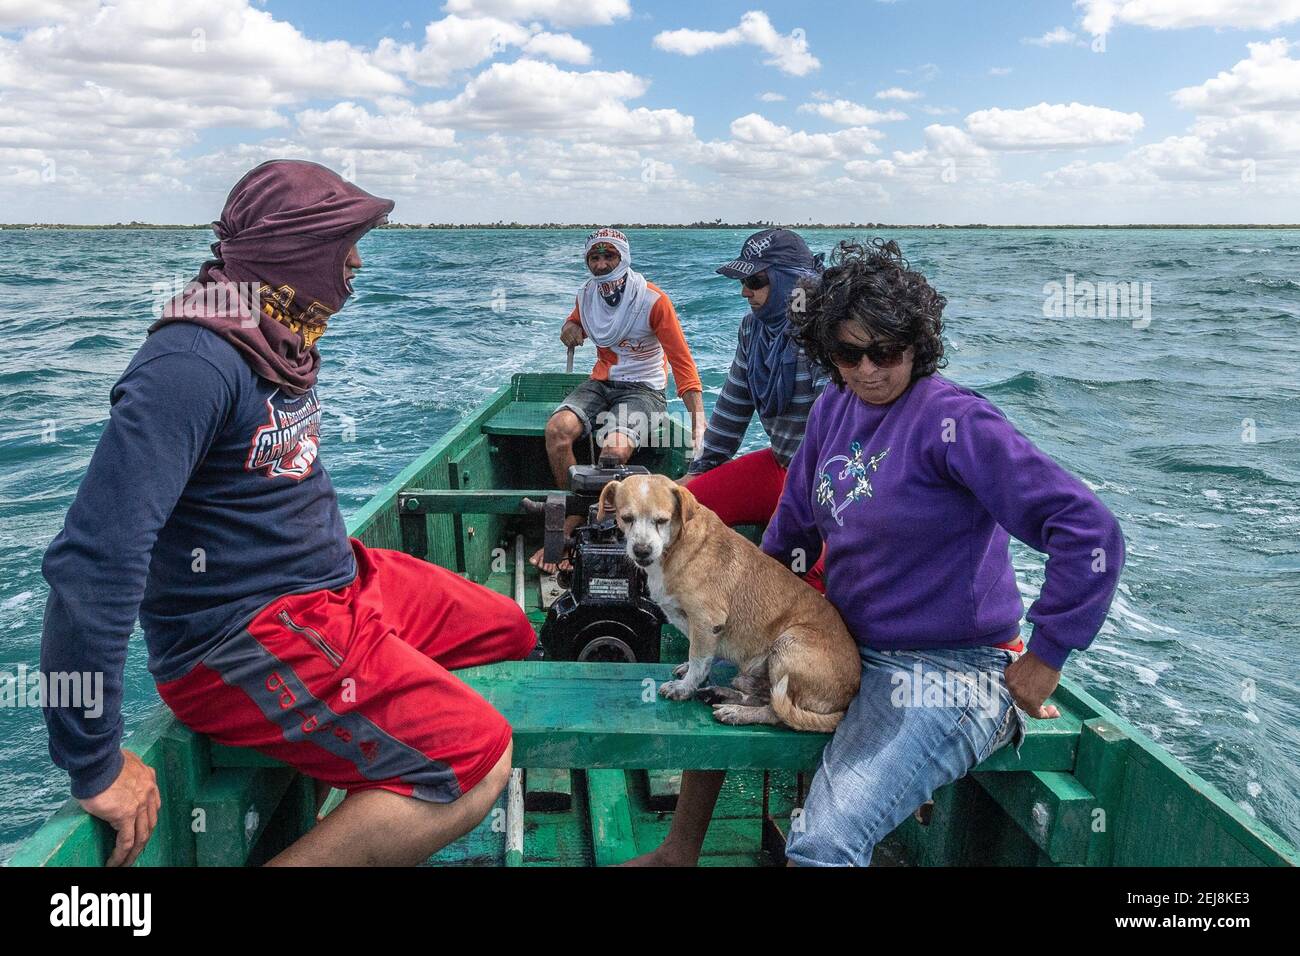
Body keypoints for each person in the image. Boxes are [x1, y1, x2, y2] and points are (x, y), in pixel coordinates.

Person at [39, 160, 536, 867]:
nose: (358, 262)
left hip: (335, 589)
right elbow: (92, 564)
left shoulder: (276, 334)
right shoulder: (190, 366)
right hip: (246, 636)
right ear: (294, 255)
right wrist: (90, 759)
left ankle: (362, 781)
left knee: (509, 629)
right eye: (345, 245)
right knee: (478, 758)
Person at [626, 239, 1125, 866]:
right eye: (848, 352)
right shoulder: (835, 409)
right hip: (842, 641)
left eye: (885, 351)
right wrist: (744, 603)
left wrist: (1048, 654)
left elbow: (1090, 531)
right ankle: (680, 850)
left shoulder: (957, 423)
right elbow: (791, 532)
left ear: (918, 344)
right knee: (715, 682)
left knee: (823, 844)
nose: (867, 369)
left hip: (943, 669)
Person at [532, 228, 705, 571]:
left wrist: (698, 421)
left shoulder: (654, 301)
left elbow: (682, 362)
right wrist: (569, 328)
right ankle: (578, 516)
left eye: (608, 256)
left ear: (623, 258)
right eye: (594, 258)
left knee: (613, 450)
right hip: (602, 382)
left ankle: (609, 525)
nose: (601, 264)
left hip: (644, 388)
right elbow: (574, 323)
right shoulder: (587, 296)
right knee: (557, 430)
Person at [680, 228, 828, 529]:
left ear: (791, 281)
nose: (745, 292)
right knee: (677, 510)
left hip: (822, 478)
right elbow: (732, 410)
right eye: (744, 282)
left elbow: (834, 428)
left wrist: (801, 499)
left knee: (803, 568)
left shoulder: (823, 331)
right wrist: (700, 469)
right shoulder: (753, 328)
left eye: (756, 281)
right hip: (780, 464)